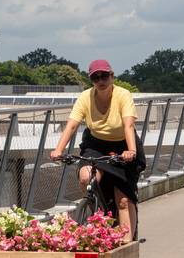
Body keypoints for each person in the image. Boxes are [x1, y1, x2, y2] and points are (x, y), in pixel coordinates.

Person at [49, 60, 145, 242]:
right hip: (95, 144)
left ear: (112, 76)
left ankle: (126, 244)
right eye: (95, 77)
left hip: (123, 144)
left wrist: (131, 150)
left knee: (123, 200)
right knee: (86, 177)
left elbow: (129, 125)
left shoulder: (122, 95)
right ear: (91, 80)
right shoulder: (85, 97)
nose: (100, 80)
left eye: (104, 76)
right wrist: (58, 150)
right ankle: (95, 206)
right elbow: (72, 125)